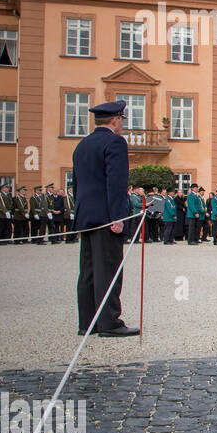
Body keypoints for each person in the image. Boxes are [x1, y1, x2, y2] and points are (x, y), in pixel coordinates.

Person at [71, 100, 138, 337]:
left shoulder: (82, 144)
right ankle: (109, 322)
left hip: (86, 215)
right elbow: (116, 183)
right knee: (108, 269)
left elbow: (76, 185)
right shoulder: (115, 142)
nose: (121, 125)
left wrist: (79, 213)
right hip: (107, 217)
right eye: (121, 120)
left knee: (88, 270)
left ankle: (87, 322)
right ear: (115, 120)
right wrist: (118, 217)